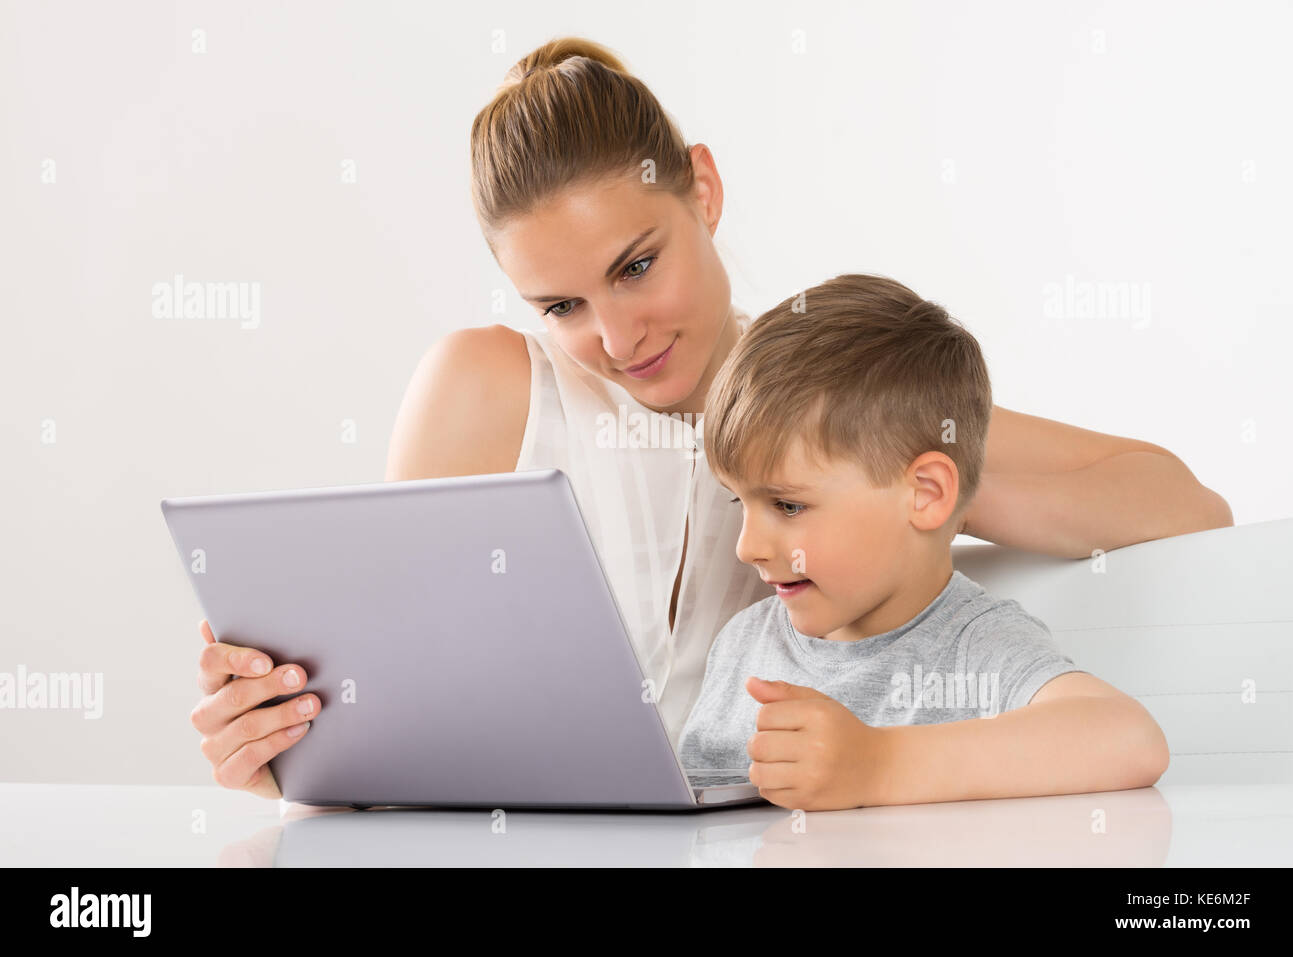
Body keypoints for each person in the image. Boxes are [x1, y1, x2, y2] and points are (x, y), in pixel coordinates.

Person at [191, 37, 1229, 801]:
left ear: (703, 188)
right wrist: (281, 742)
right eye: (561, 306)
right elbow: (393, 723)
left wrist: (877, 473)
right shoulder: (486, 387)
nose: (617, 336)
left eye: (637, 265)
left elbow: (1189, 509)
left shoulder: (817, 384)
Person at [675, 273, 1168, 810]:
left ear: (926, 494)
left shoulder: (973, 645)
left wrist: (878, 765)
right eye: (738, 502)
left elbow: (1131, 740)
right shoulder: (743, 644)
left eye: (788, 506)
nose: (747, 547)